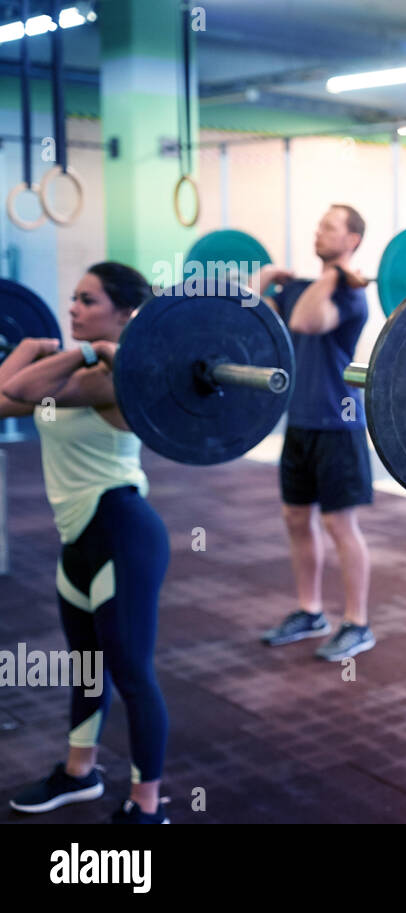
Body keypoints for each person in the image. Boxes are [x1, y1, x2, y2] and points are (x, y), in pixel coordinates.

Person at [0, 263, 171, 823]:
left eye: (87, 300)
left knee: (133, 676)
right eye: (72, 297)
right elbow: (4, 398)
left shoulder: (112, 379)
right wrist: (31, 341)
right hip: (78, 537)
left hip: (122, 532)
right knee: (87, 665)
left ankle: (146, 808)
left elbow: (20, 387)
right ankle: (80, 773)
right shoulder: (82, 370)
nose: (72, 307)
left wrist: (81, 352)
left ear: (123, 314)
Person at [255, 204, 375, 661]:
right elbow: (252, 321)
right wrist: (264, 279)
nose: (318, 231)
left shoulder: (349, 296)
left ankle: (357, 623)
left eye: (330, 227)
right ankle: (310, 611)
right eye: (319, 225)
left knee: (338, 523)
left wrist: (337, 275)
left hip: (339, 423)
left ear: (352, 241)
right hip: (301, 421)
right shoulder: (302, 288)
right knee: (294, 517)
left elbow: (306, 321)